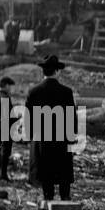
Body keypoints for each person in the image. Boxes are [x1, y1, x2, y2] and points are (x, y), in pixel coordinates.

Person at [26, 55, 78, 201]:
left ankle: (48, 199)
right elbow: (71, 116)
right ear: (57, 71)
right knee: (63, 172)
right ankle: (65, 199)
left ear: (43, 72)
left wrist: (31, 137)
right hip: (61, 139)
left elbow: (28, 117)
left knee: (45, 172)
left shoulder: (33, 91)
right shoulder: (66, 92)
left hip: (42, 139)